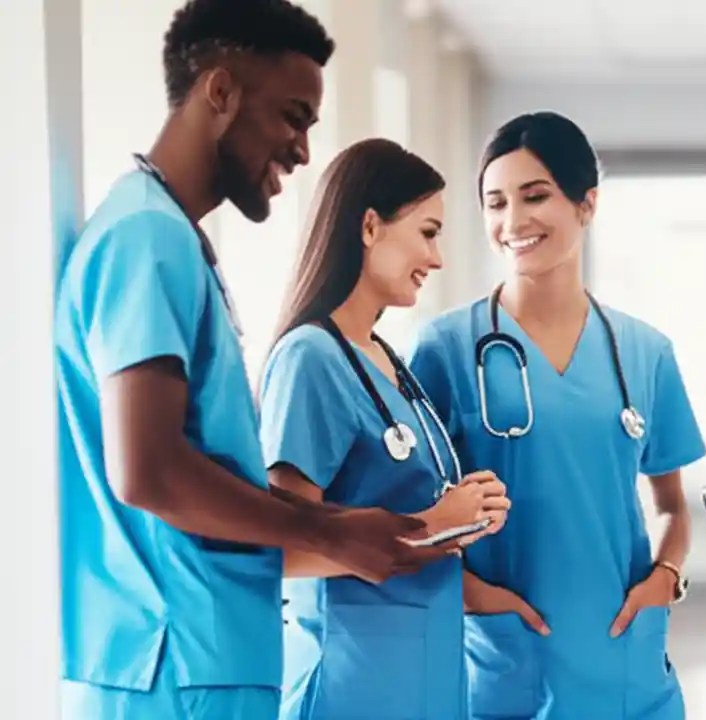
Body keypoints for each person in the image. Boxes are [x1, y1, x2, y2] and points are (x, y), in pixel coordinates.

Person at [55, 3, 431, 718]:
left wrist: (348, 527)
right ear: (220, 92)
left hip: (201, 660)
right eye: (293, 116)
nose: (302, 150)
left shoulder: (176, 241)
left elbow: (207, 466)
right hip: (176, 666)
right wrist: (326, 531)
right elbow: (150, 471)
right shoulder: (146, 238)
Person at [408, 111, 706, 719]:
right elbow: (413, 511)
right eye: (495, 203)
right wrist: (470, 595)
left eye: (534, 195)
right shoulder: (445, 348)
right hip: (506, 659)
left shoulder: (645, 352)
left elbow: (672, 505)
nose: (513, 221)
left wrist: (667, 576)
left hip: (624, 658)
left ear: (586, 203)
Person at [259, 138, 511, 720]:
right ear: (370, 226)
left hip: (422, 679)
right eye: (427, 232)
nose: (438, 257)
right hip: (352, 684)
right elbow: (287, 548)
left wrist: (464, 514)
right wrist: (429, 525)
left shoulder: (383, 358)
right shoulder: (310, 358)